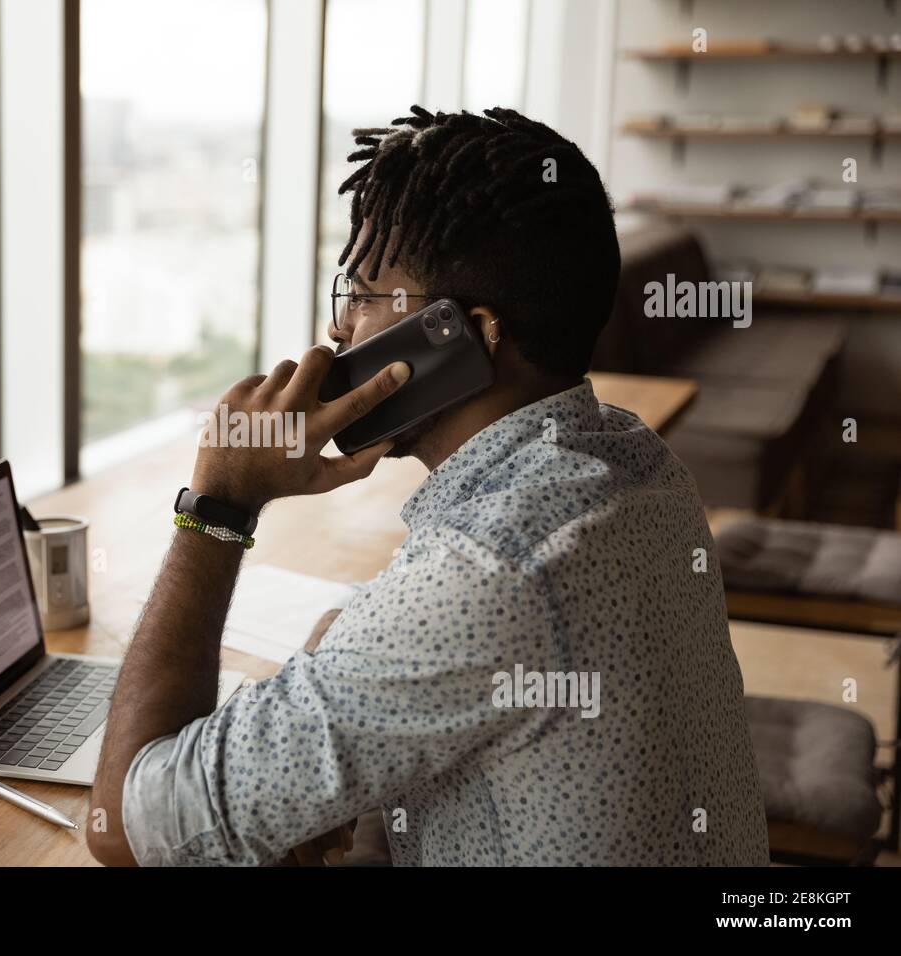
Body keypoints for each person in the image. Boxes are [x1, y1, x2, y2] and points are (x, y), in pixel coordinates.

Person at [86, 106, 769, 866]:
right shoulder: (633, 459)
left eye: (365, 293)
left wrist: (220, 502)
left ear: (465, 334)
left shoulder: (489, 572)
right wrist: (346, 653)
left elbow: (123, 822)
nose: (339, 332)